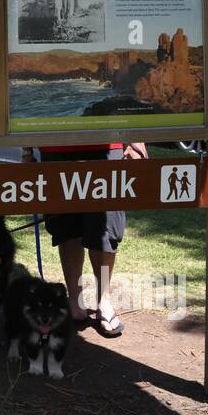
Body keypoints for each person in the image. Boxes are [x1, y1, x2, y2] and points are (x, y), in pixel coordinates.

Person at [30, 141, 148, 338]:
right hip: (55, 145)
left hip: (106, 145)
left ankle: (104, 301)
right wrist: (27, 149)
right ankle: (74, 301)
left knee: (105, 229)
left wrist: (135, 140)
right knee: (66, 227)